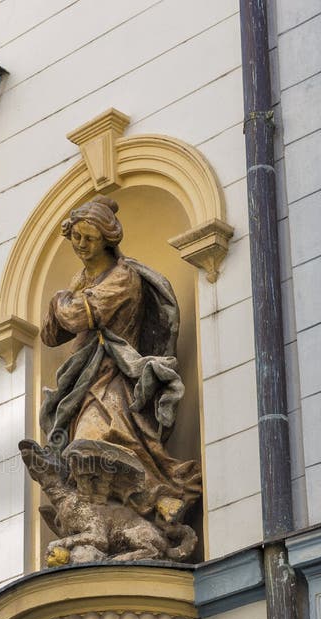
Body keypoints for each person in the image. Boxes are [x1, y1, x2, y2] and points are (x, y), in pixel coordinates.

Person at [39, 194, 201, 525]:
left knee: (100, 441)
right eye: (76, 237)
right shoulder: (81, 281)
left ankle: (157, 501)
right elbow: (51, 336)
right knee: (83, 453)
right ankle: (104, 519)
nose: (81, 245)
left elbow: (76, 318)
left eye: (90, 239)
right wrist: (65, 301)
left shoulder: (123, 278)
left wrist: (60, 300)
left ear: (107, 240)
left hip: (115, 376)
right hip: (84, 380)